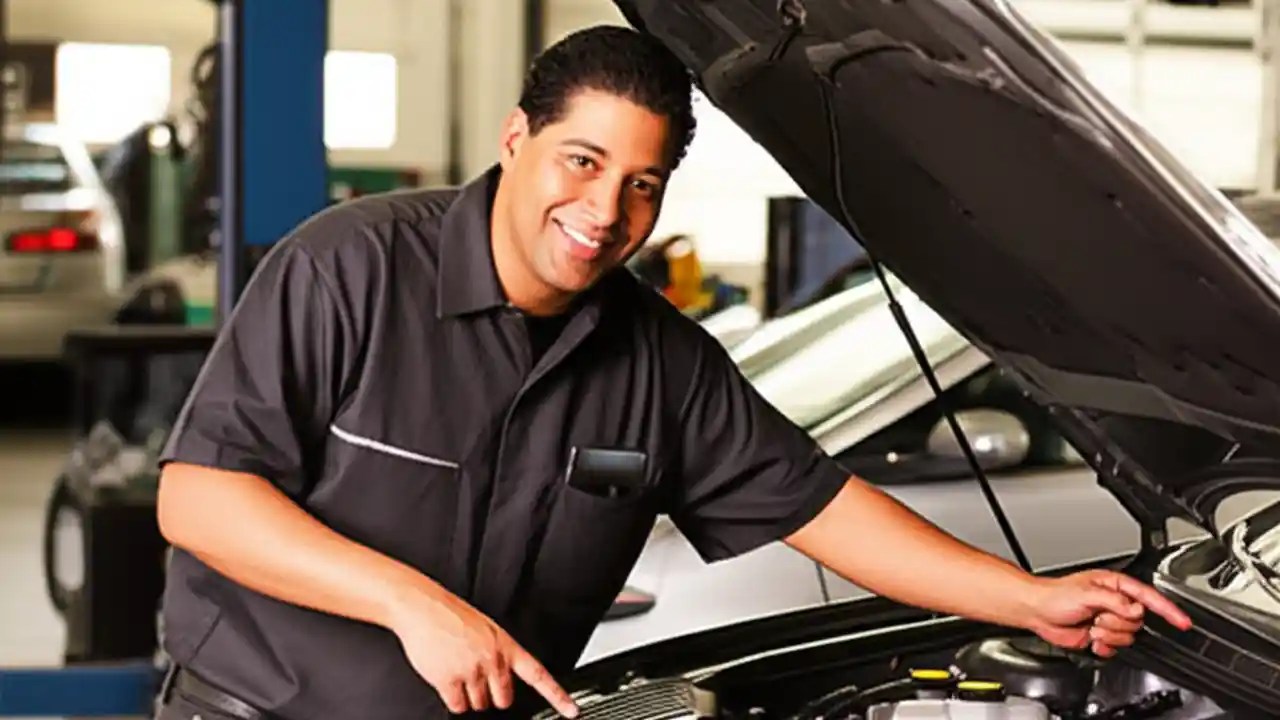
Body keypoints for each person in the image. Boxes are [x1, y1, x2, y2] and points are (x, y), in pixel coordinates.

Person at [150, 24, 1192, 720]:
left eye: (642, 183)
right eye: (582, 162)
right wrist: (411, 603)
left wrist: (1021, 598)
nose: (605, 212)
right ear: (517, 138)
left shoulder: (660, 360)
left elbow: (819, 506)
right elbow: (201, 497)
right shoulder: (350, 267)